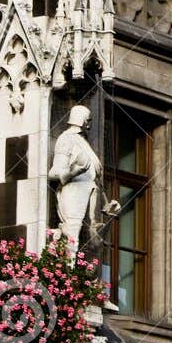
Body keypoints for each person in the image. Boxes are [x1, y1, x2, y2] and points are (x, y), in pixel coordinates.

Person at [48, 104, 102, 255]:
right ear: (82, 121)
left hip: (88, 192)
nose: (90, 125)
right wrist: (76, 170)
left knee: (93, 240)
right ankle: (67, 271)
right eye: (88, 120)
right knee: (72, 235)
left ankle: (78, 271)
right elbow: (54, 173)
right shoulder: (66, 139)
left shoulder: (82, 142)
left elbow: (93, 176)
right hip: (73, 193)